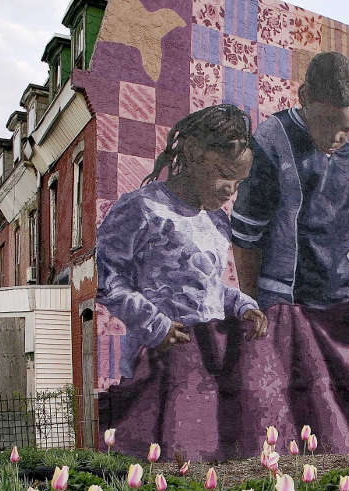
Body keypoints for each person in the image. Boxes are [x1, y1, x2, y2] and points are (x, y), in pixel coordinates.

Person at [96, 104, 269, 379]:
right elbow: (105, 279)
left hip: (207, 365)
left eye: (238, 182)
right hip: (154, 365)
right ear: (191, 152)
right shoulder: (142, 208)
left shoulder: (218, 222)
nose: (230, 190)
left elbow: (206, 286)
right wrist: (155, 325)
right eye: (224, 173)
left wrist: (242, 306)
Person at [230, 51, 349, 311]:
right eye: (328, 122)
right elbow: (246, 232)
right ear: (304, 97)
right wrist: (251, 304)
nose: (337, 137)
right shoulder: (273, 139)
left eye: (348, 129)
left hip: (342, 302)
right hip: (283, 302)